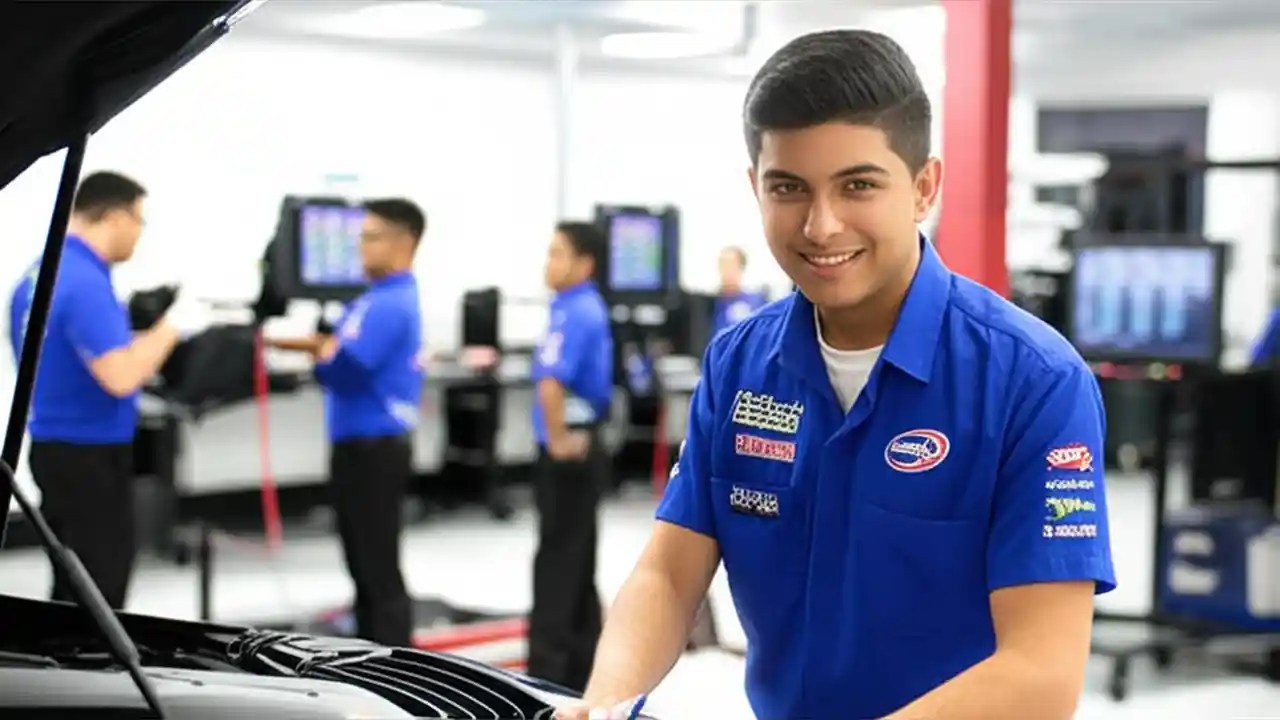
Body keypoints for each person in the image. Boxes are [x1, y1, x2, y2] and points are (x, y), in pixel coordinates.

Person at [557, 30, 1116, 720]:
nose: (821, 226)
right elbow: (671, 574)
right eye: (788, 187)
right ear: (755, 188)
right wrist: (605, 702)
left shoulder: (1033, 382)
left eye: (858, 185)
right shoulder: (740, 366)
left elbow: (1039, 674)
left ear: (923, 187)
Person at [7, 170, 210, 609]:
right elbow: (120, 376)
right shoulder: (85, 283)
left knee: (72, 586)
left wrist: (145, 339)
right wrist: (175, 326)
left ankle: (65, 670)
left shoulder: (41, 273)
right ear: (116, 217)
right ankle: (99, 672)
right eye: (138, 221)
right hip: (91, 458)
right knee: (101, 590)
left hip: (53, 446)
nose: (138, 234)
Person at [270, 198, 426, 647]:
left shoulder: (392, 302)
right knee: (360, 560)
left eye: (372, 237)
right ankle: (371, 649)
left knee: (377, 564)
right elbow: (332, 354)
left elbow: (346, 367)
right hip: (355, 443)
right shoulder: (369, 300)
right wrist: (318, 351)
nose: (362, 247)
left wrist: (325, 356)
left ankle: (394, 660)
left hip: (375, 447)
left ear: (405, 243)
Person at [528, 221, 615, 692]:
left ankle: (546, 675)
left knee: (558, 564)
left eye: (557, 253)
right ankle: (582, 668)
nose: (548, 263)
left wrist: (558, 437)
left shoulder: (575, 312)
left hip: (571, 452)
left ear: (585, 264)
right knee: (577, 558)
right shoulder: (577, 307)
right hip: (582, 446)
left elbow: (550, 379)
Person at [711, 245, 768, 336]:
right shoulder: (711, 304)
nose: (727, 271)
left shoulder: (755, 303)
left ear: (741, 268)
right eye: (723, 265)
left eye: (731, 265)